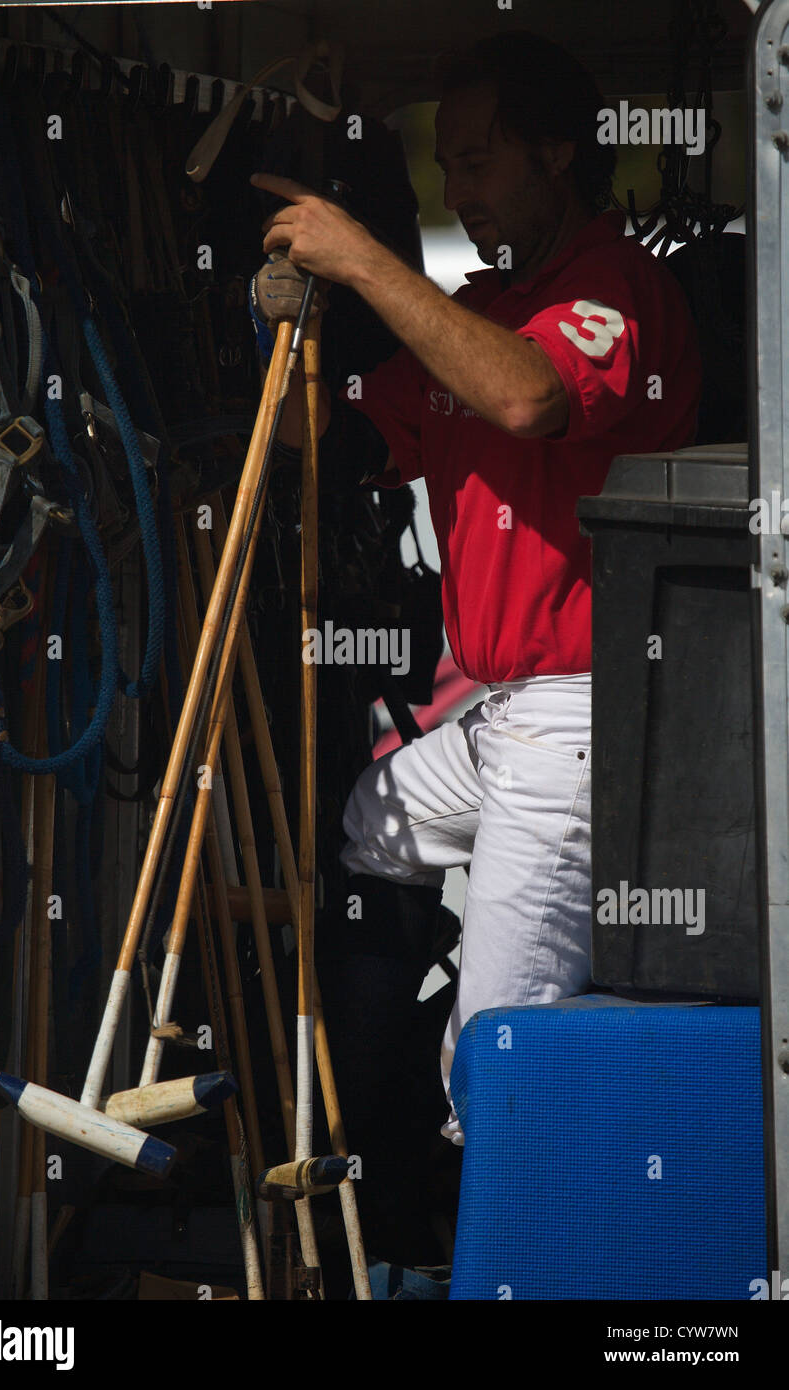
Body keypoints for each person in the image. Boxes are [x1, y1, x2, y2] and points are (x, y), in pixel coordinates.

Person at [249, 30, 702, 1256]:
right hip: (496, 712)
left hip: (583, 708)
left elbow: (527, 398)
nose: (459, 189)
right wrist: (290, 327)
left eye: (480, 160)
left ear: (559, 149)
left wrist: (363, 259)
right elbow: (331, 440)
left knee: (494, 1049)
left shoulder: (610, 284)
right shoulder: (483, 305)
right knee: (371, 827)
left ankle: (504, 1242)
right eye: (445, 164)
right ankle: (389, 1165)